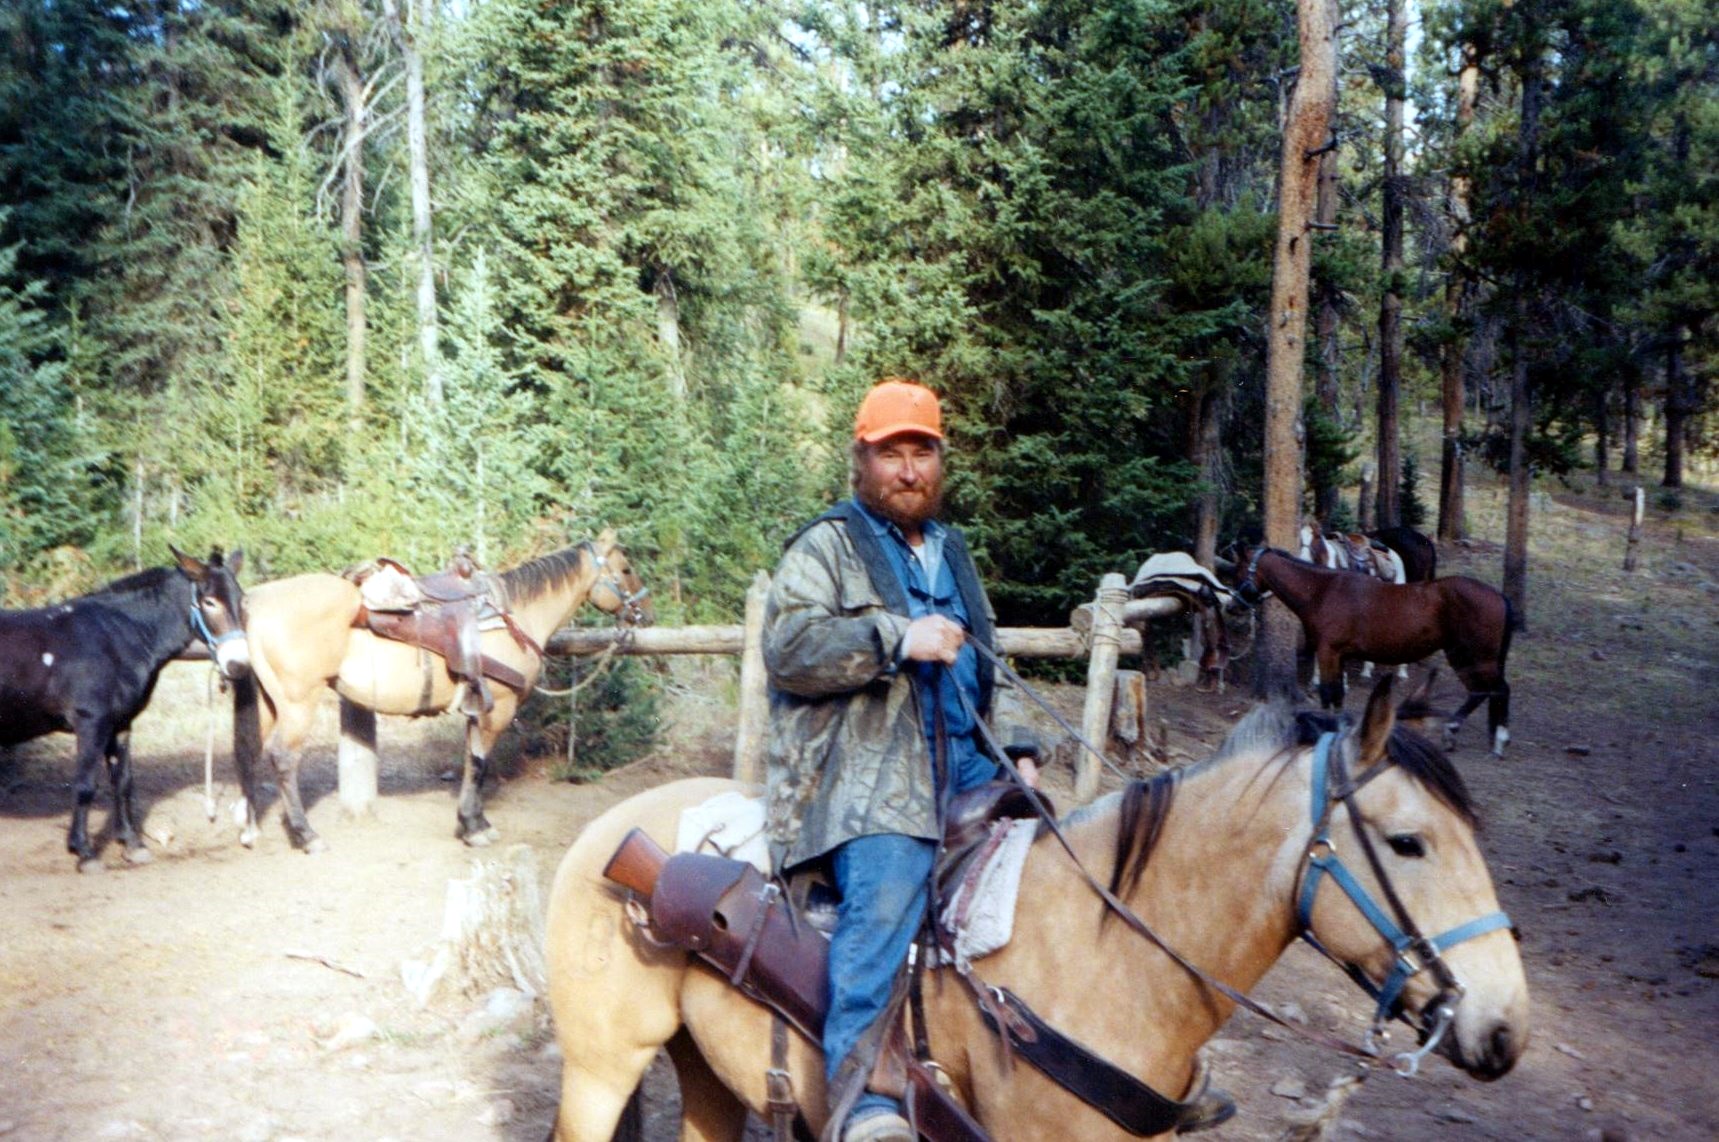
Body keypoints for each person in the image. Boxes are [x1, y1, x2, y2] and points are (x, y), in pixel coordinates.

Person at [762, 378, 1003, 1142]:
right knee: (890, 886)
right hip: (861, 780)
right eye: (890, 454)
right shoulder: (825, 545)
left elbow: (986, 661)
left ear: (940, 462)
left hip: (962, 761)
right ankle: (860, 1103)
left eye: (921, 453)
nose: (907, 470)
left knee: (1064, 860)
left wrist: (1018, 755)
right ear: (861, 462)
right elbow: (789, 649)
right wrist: (893, 638)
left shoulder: (953, 550)